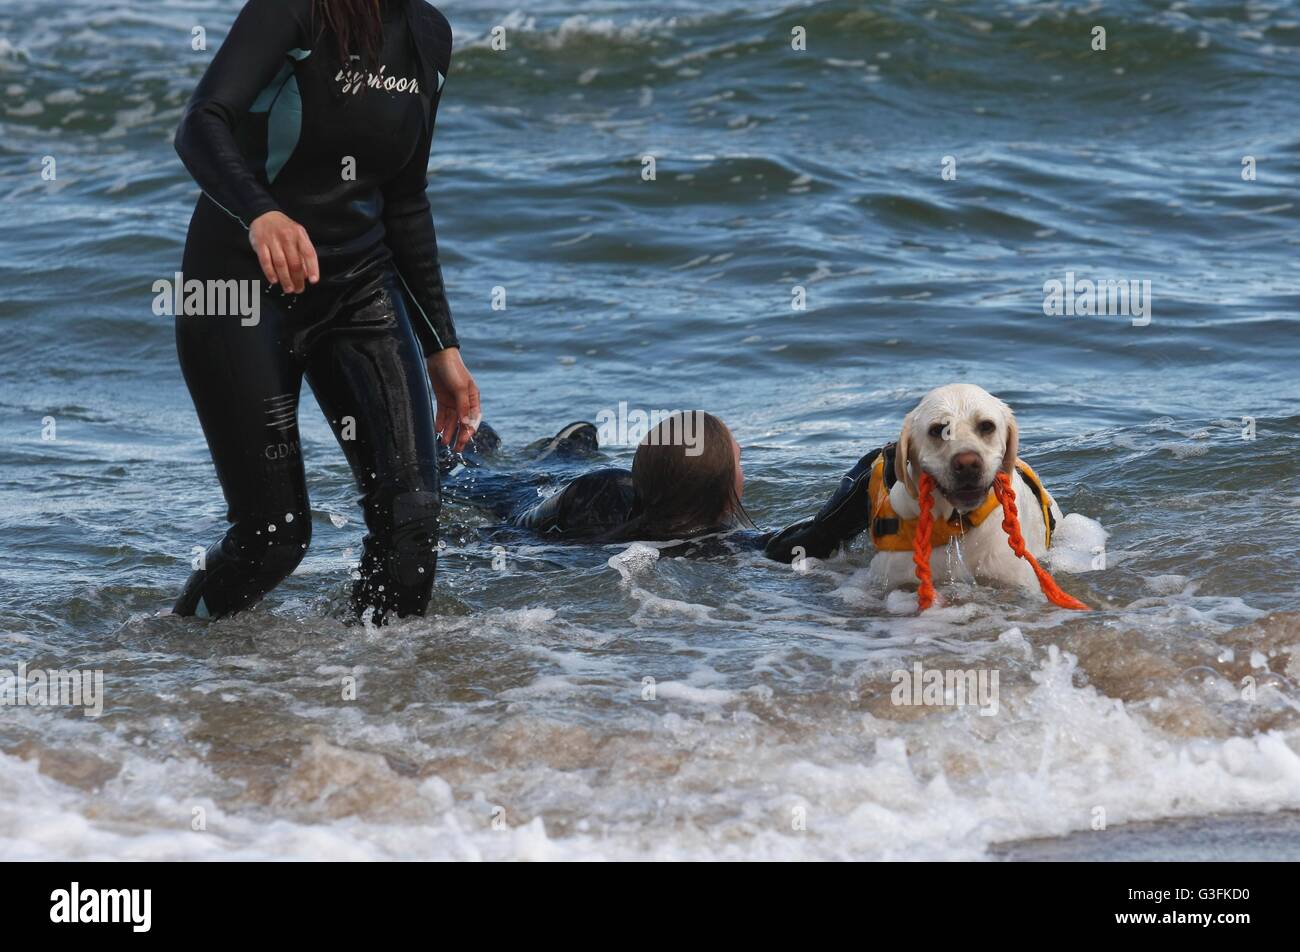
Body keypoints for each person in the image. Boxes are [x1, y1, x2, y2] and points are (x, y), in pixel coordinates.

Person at [170, 0, 479, 622]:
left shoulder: (427, 32)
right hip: (239, 287)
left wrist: (441, 346)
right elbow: (202, 124)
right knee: (273, 538)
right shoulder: (293, 10)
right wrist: (262, 212)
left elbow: (406, 197)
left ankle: (378, 703)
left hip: (361, 285)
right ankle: (176, 662)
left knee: (413, 519)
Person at [445, 412, 755, 546]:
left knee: (568, 455)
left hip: (581, 494)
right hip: (531, 503)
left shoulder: (720, 538)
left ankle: (563, 451)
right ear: (717, 487)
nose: (745, 470)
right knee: (463, 473)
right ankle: (471, 441)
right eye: (739, 460)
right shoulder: (602, 492)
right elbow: (511, 537)